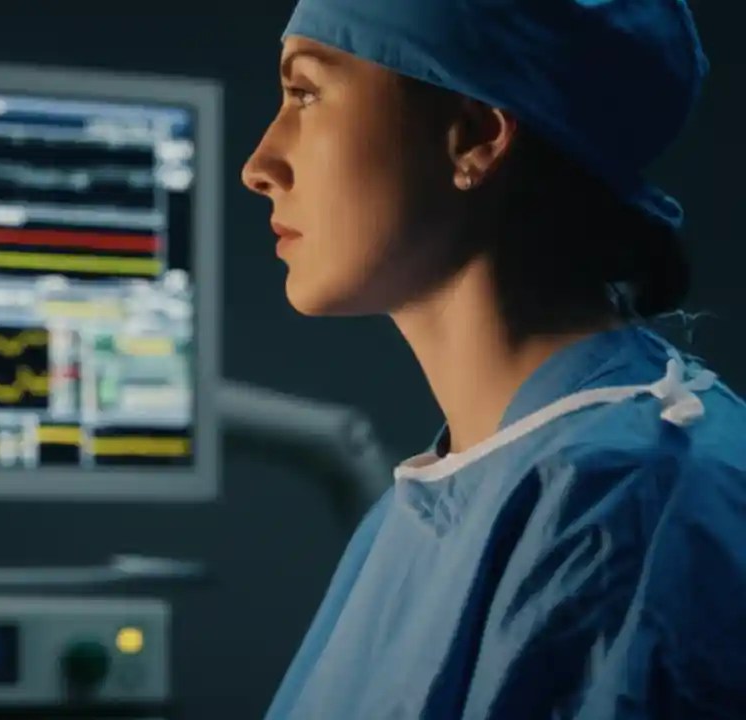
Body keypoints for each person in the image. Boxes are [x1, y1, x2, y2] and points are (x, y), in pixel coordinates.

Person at [241, 0, 746, 718]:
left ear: (474, 136)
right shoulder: (439, 506)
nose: (259, 166)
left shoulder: (634, 516)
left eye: (306, 93)